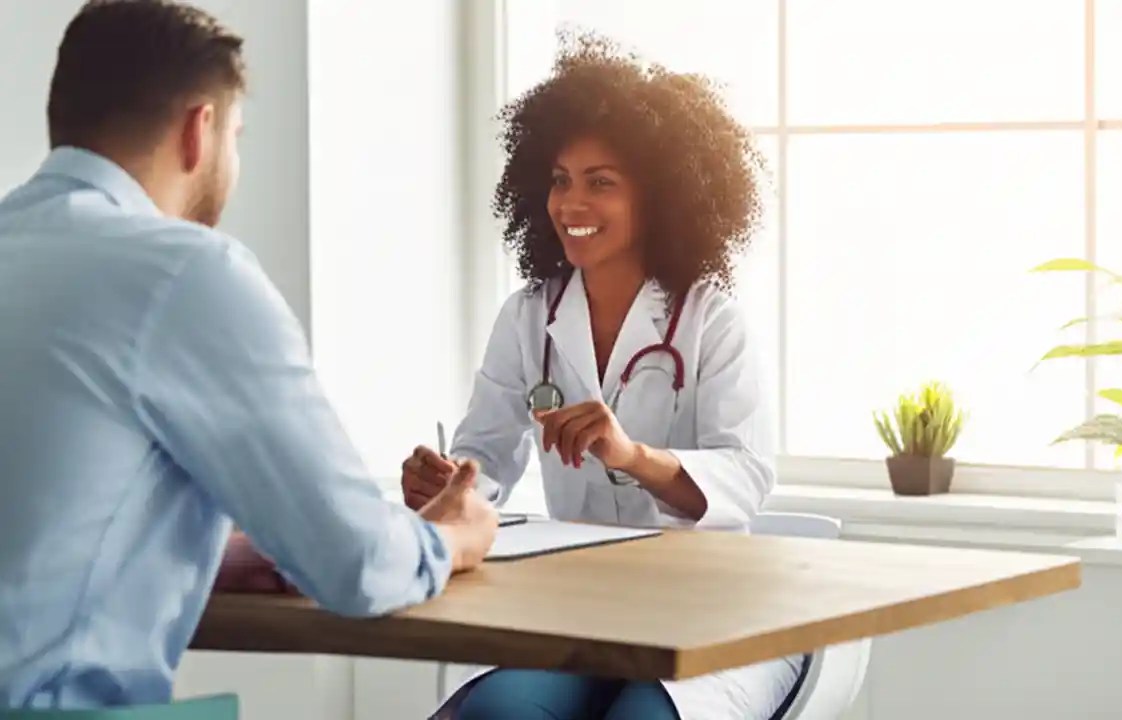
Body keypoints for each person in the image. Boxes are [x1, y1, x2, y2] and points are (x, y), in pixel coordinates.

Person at [0, 0, 497, 709]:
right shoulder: (181, 273)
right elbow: (356, 563)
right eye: (239, 134)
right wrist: (451, 539)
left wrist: (196, 551)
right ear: (200, 130)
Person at [400, 31, 801, 720]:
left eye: (601, 183)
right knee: (501, 714)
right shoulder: (528, 317)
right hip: (583, 607)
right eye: (559, 180)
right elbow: (486, 455)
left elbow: (746, 474)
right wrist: (450, 485)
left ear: (661, 196)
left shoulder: (712, 322)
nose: (569, 204)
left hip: (711, 608)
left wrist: (634, 456)